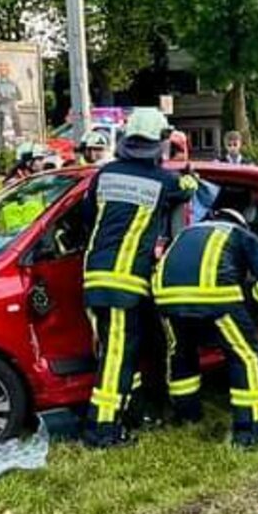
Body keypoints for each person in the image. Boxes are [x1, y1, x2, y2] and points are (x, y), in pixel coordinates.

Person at [81, 108, 196, 448]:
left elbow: (88, 217)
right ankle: (101, 430)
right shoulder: (164, 181)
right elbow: (188, 189)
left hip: (94, 276)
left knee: (119, 351)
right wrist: (188, 173)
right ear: (160, 142)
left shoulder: (104, 175)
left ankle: (130, 413)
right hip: (124, 282)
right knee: (117, 357)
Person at [153, 205, 258, 448]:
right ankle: (249, 431)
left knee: (181, 354)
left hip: (166, 299)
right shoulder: (238, 233)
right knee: (246, 357)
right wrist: (255, 302)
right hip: (215, 297)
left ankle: (186, 416)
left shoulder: (185, 233)